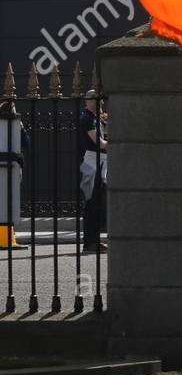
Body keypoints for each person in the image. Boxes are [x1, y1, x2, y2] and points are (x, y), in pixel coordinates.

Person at [78, 91, 108, 253]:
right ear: (87, 101)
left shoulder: (98, 118)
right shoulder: (87, 118)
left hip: (100, 162)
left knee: (97, 203)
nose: (98, 101)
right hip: (92, 162)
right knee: (92, 203)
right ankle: (90, 242)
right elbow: (99, 143)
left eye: (99, 99)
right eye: (94, 98)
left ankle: (94, 239)